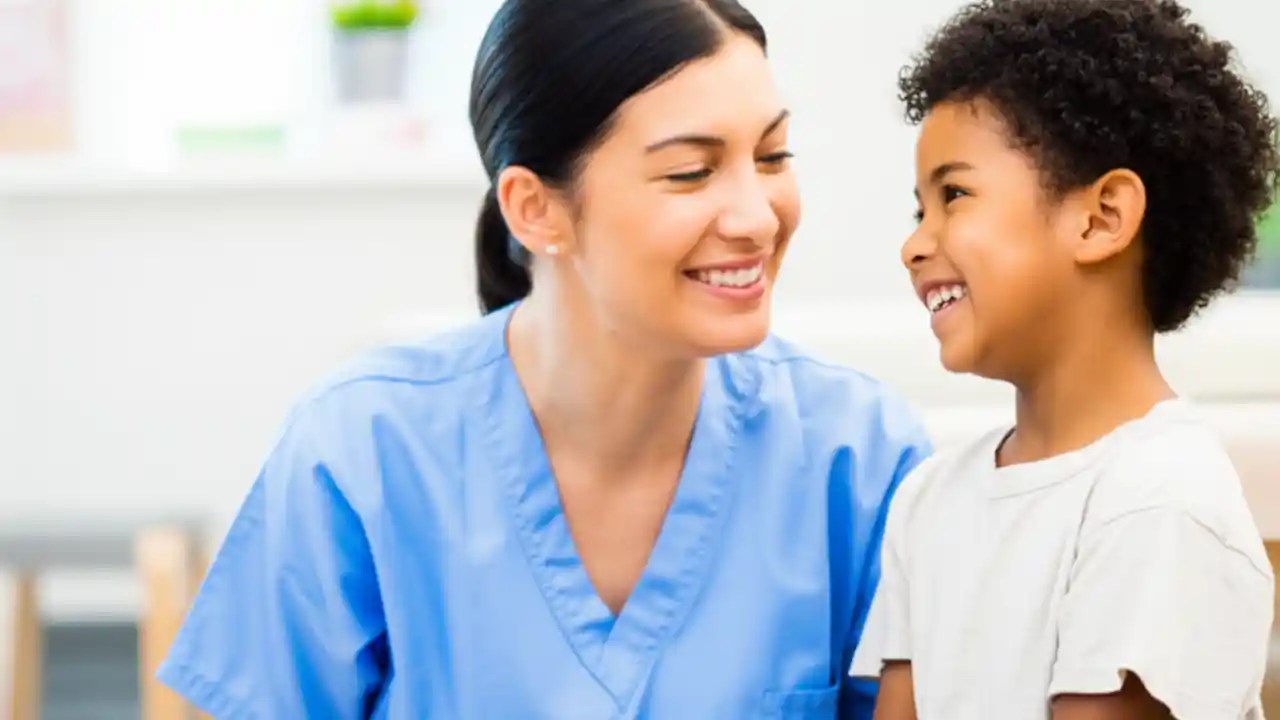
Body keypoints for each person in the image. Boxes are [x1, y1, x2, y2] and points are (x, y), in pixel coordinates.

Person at [157, 0, 932, 717]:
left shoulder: (859, 460)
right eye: (690, 171)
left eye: (772, 156)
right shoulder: (360, 454)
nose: (758, 216)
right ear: (535, 208)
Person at [850, 1, 1279, 718]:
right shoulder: (929, 499)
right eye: (917, 209)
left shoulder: (1159, 500)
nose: (915, 245)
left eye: (954, 195)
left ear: (1101, 218)